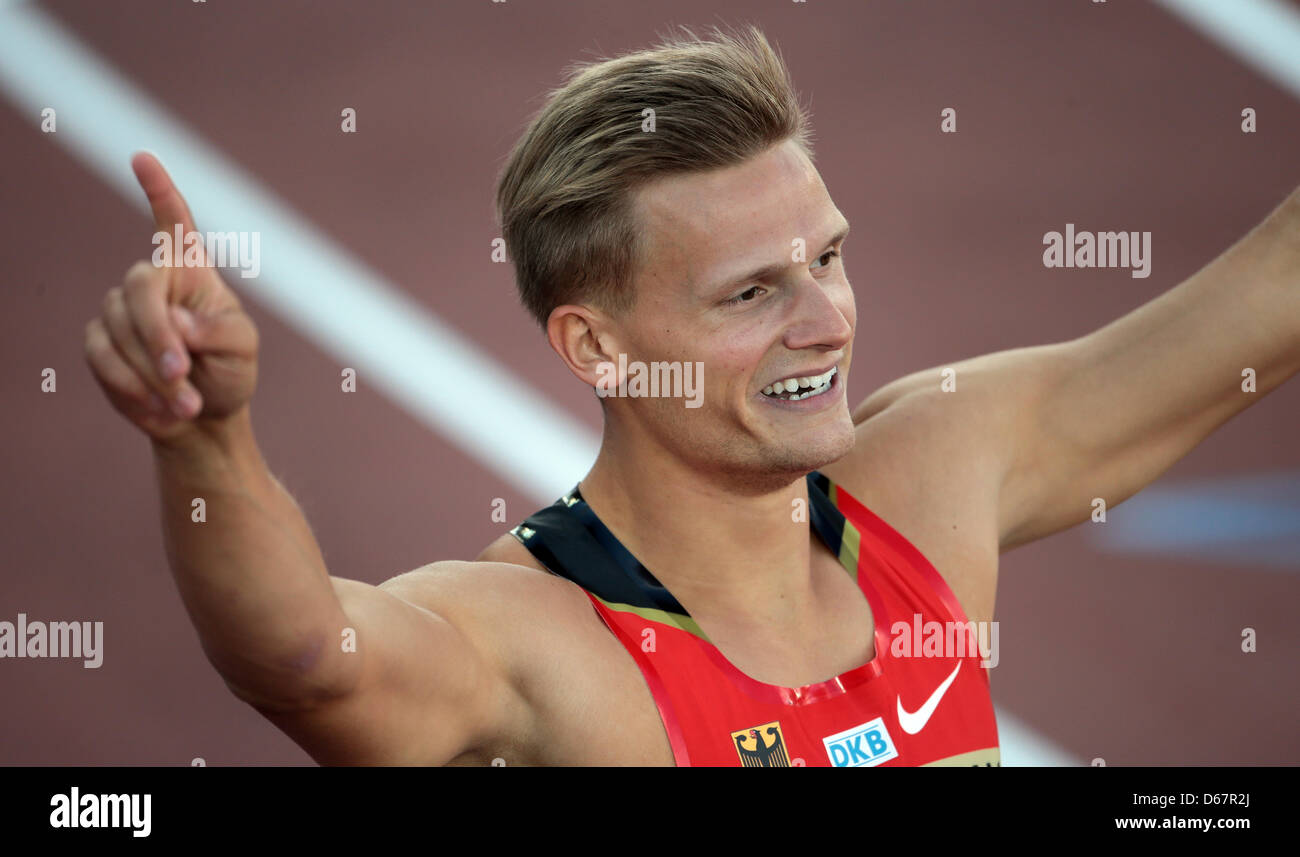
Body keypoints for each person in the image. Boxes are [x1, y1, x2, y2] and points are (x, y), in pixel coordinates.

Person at [84, 27, 1299, 766]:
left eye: (826, 257)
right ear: (597, 347)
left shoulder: (932, 475)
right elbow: (305, 657)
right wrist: (205, 438)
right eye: (749, 294)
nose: (825, 320)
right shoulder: (541, 644)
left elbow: (1260, 304)